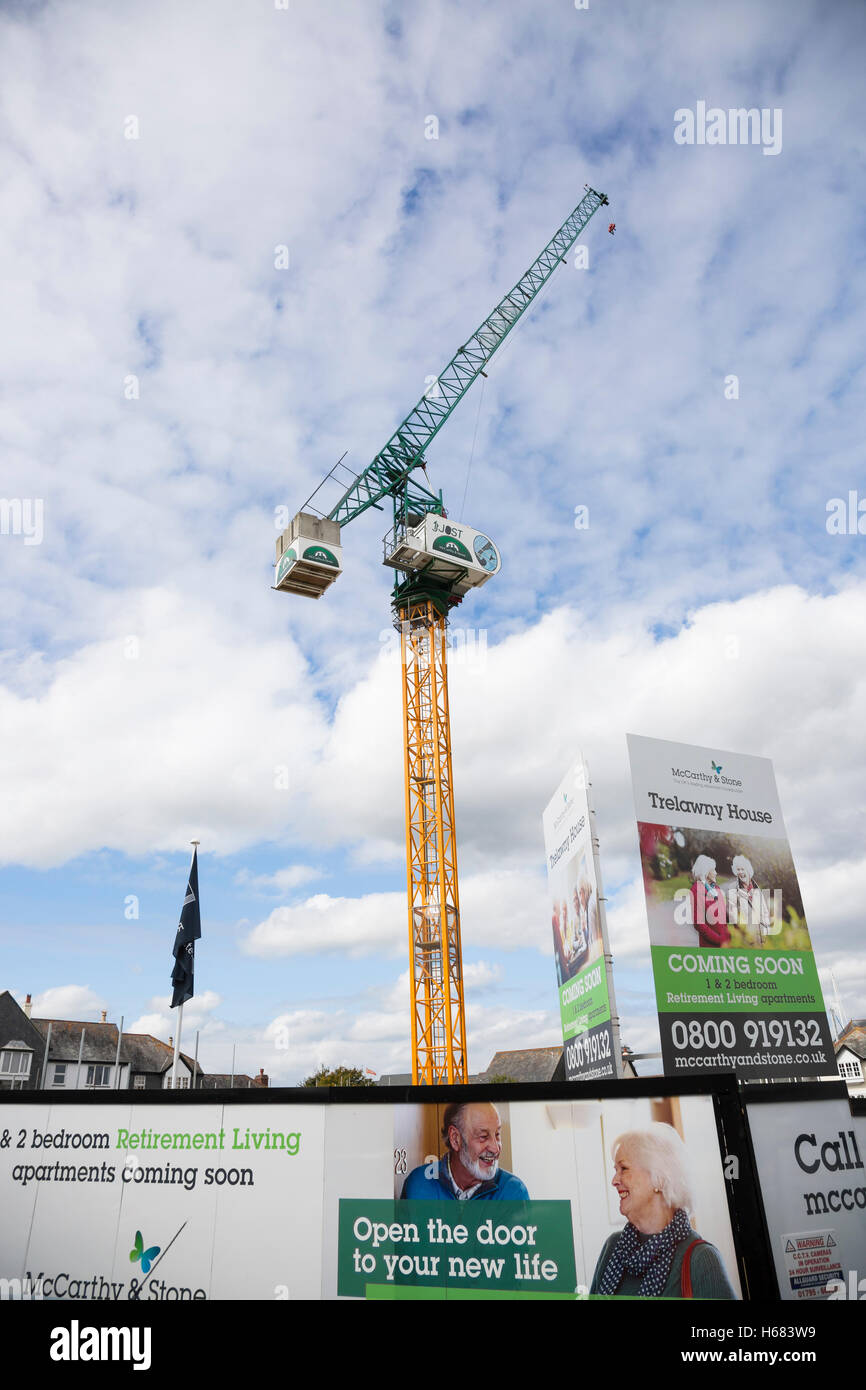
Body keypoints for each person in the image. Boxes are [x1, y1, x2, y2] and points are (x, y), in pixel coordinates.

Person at [590, 1124, 737, 1298]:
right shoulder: (613, 1246)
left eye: (624, 1168)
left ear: (659, 1178)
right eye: (616, 1171)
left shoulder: (702, 1259)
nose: (614, 1181)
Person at [400, 1101, 529, 1201]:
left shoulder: (514, 1192)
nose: (495, 1148)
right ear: (455, 1139)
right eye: (483, 1136)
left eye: (497, 1134)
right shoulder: (416, 1184)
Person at [726, 855, 770, 944]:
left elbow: (765, 912)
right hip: (746, 938)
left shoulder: (757, 888)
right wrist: (744, 933)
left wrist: (766, 931)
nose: (741, 872)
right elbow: (732, 915)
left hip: (761, 938)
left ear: (748, 870)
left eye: (743, 869)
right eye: (738, 869)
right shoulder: (732, 888)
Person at [688, 855, 730, 948]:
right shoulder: (696, 890)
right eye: (714, 870)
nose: (716, 873)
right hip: (710, 946)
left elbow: (723, 917)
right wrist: (718, 939)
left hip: (725, 944)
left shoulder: (716, 888)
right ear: (706, 872)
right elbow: (699, 924)